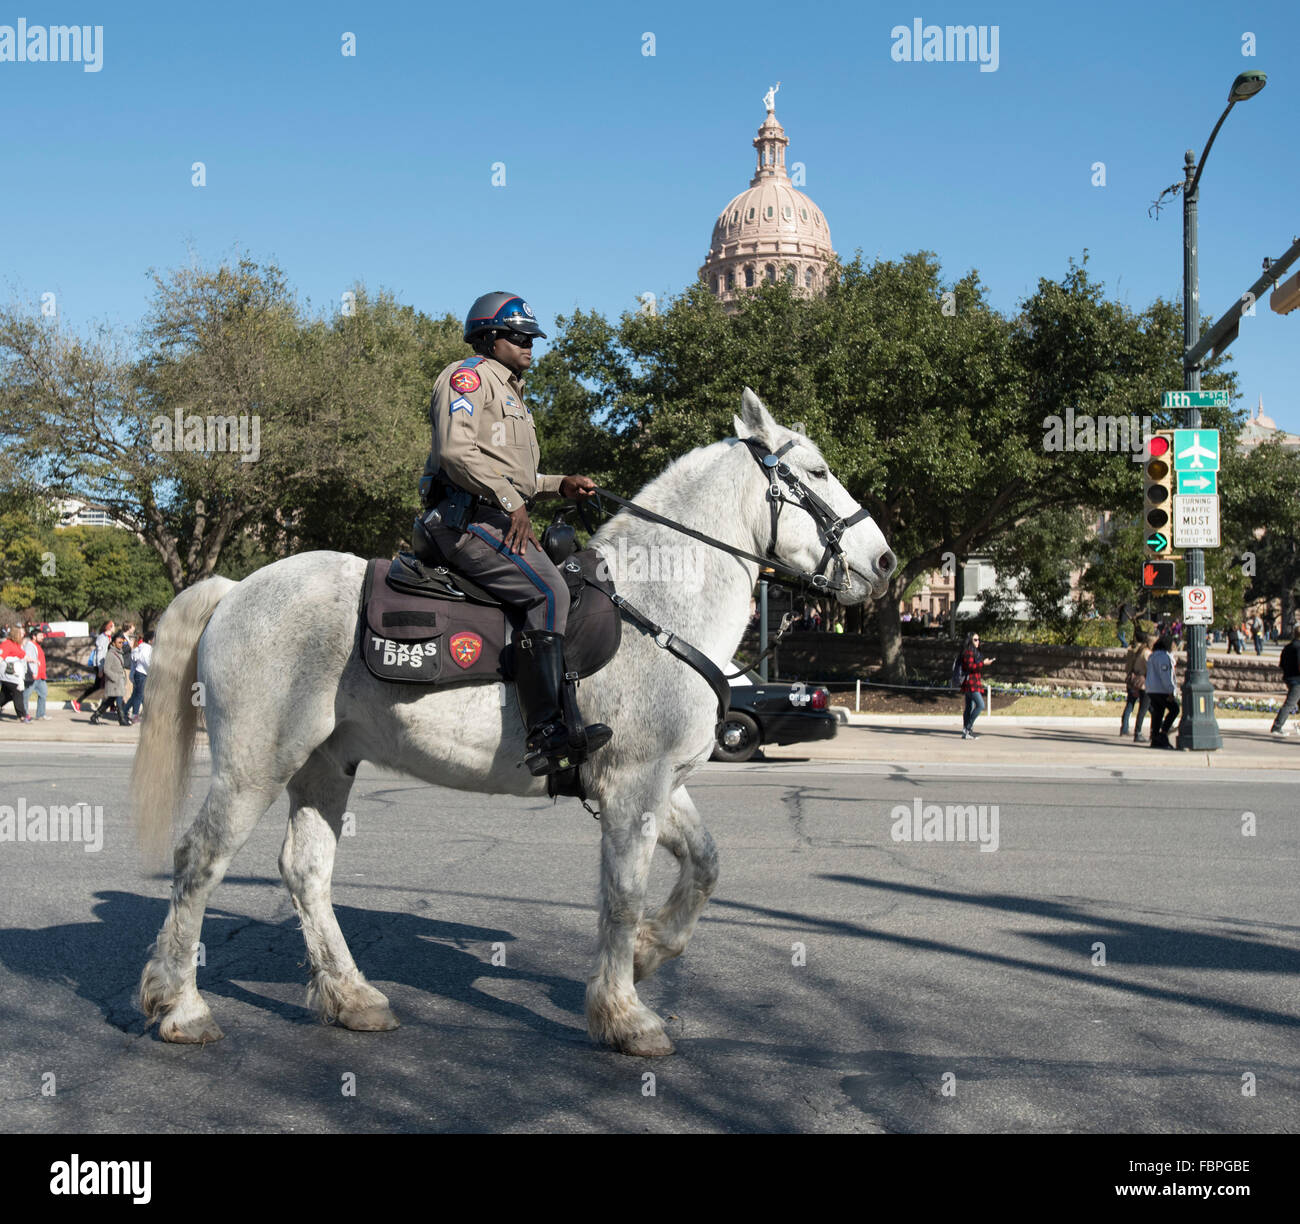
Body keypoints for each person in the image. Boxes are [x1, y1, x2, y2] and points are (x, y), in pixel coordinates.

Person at [415, 291, 610, 777]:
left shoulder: (514, 394)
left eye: (532, 337)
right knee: (549, 591)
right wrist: (510, 500)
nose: (530, 345)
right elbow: (457, 453)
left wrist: (555, 485)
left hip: (495, 514)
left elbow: (514, 477)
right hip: (464, 519)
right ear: (489, 337)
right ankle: (546, 732)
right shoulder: (468, 378)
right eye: (520, 337)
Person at [958, 632, 995, 740]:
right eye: (975, 640)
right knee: (981, 705)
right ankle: (968, 728)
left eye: (978, 639)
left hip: (974, 682)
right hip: (971, 684)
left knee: (969, 707)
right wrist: (983, 663)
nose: (978, 642)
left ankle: (966, 732)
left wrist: (983, 662)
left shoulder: (974, 652)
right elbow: (970, 667)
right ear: (970, 640)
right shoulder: (968, 652)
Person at [71, 619, 114, 712]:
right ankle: (77, 702)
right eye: (113, 625)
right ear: (108, 627)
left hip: (106, 664)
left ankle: (111, 706)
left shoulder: (108, 638)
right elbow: (100, 654)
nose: (114, 627)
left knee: (108, 685)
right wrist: (100, 669)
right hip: (100, 665)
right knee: (98, 686)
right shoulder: (102, 638)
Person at [1145, 634, 1180, 749]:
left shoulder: (1152, 656)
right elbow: (1166, 675)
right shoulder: (1164, 657)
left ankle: (1155, 737)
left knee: (1158, 713)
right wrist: (1171, 691)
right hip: (1161, 689)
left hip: (1151, 689)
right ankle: (1163, 733)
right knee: (1174, 709)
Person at [90, 631, 132, 726]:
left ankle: (95, 715)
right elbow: (106, 669)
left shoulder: (119, 652)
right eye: (119, 642)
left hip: (119, 682)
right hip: (114, 683)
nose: (121, 644)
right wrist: (116, 678)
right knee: (119, 702)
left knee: (110, 701)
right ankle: (122, 719)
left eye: (122, 642)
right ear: (113, 643)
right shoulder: (110, 654)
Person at [1120, 633, 1153, 741]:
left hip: (1134, 681)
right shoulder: (1146, 653)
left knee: (1136, 705)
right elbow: (1151, 669)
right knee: (1144, 709)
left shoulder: (1134, 650)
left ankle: (1126, 728)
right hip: (1143, 684)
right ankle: (1138, 733)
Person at [1269, 625, 1300, 737]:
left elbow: (1281, 664)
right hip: (1298, 681)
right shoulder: (1298, 647)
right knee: (1289, 704)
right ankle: (1277, 727)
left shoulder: (1288, 647)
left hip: (1289, 678)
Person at [0, 626, 29, 720]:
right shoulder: (6, 644)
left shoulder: (16, 644)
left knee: (6, 695)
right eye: (21, 633)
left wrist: (33, 660)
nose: (23, 635)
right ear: (16, 634)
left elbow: (23, 655)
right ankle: (22, 715)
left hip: (15, 674)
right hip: (8, 674)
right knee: (18, 691)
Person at [127, 630, 152, 723]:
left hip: (141, 673)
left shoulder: (144, 647)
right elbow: (145, 660)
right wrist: (152, 669)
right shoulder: (146, 648)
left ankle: (127, 711)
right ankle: (134, 714)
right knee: (139, 695)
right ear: (150, 640)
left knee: (139, 696)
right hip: (142, 673)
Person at [24, 629, 49, 720]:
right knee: (26, 695)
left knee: (43, 694)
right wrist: (33, 673)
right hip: (33, 676)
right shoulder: (30, 646)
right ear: (34, 637)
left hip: (41, 676)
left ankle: (41, 714)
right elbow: (29, 660)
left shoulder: (37, 645)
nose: (42, 637)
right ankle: (24, 714)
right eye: (40, 635)